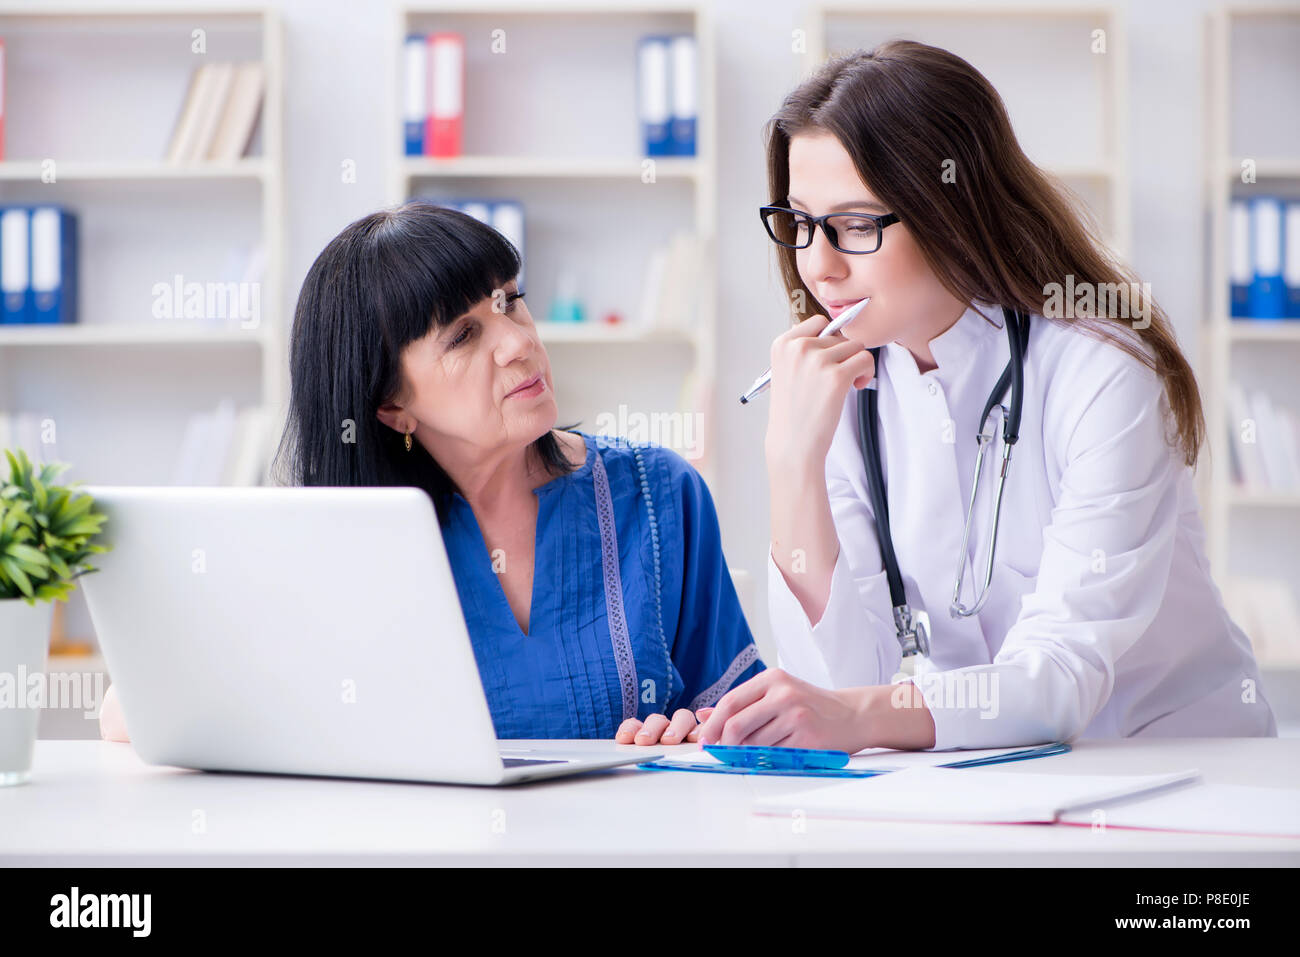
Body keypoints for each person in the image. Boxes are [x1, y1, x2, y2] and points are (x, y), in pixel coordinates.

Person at [697, 40, 1275, 752]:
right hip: (993, 774)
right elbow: (836, 691)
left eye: (854, 225)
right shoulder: (843, 390)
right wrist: (792, 466)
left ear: (952, 209)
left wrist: (857, 712)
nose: (817, 266)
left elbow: (1058, 672)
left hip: (1181, 766)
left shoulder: (1100, 371)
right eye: (799, 224)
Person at [100, 201, 762, 746]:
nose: (519, 340)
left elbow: (751, 730)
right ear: (391, 407)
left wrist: (699, 735)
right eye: (464, 336)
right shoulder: (336, 542)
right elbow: (127, 710)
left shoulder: (660, 495)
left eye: (511, 300)